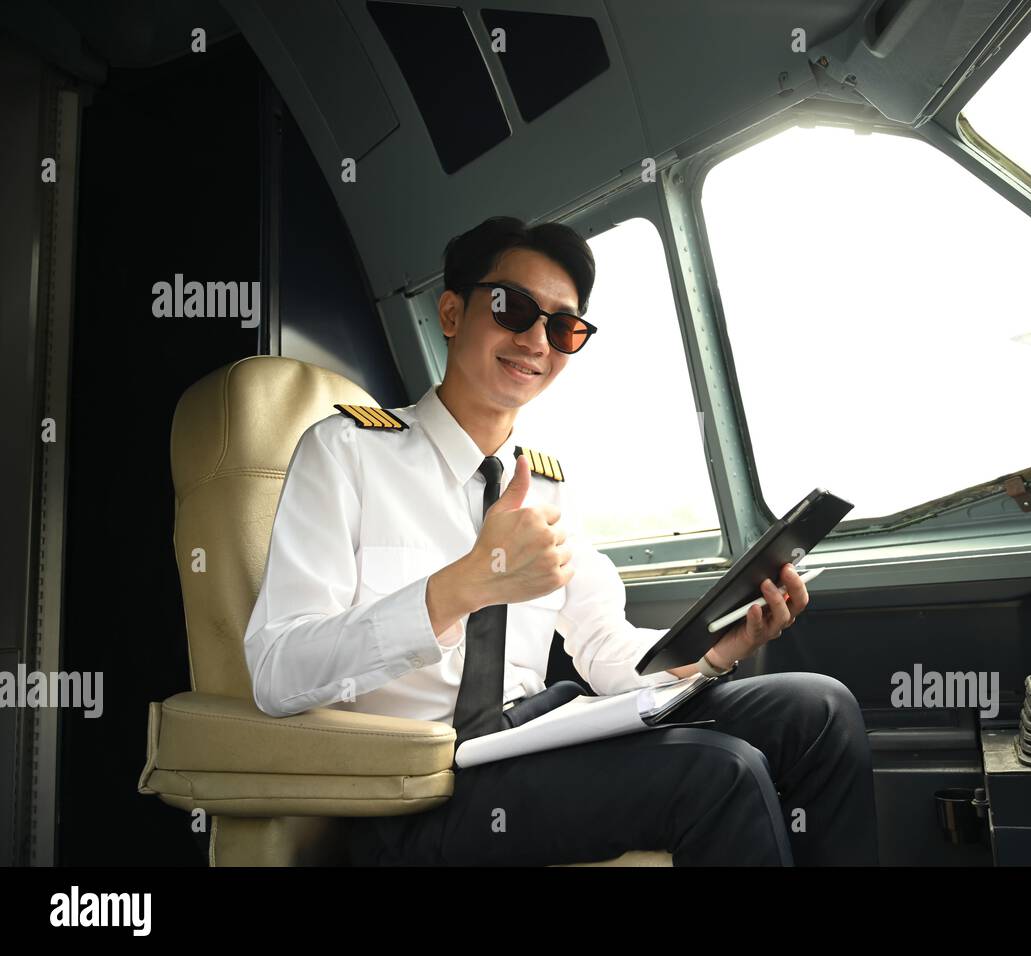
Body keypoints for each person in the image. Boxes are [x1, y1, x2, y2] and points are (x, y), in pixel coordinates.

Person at [243, 215, 878, 865]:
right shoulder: (346, 453)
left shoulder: (544, 485)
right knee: (723, 771)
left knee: (818, 709)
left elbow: (604, 650)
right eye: (512, 307)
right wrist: (462, 586)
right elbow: (276, 672)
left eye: (562, 326)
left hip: (531, 739)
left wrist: (716, 652)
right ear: (452, 312)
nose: (535, 339)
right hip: (417, 789)